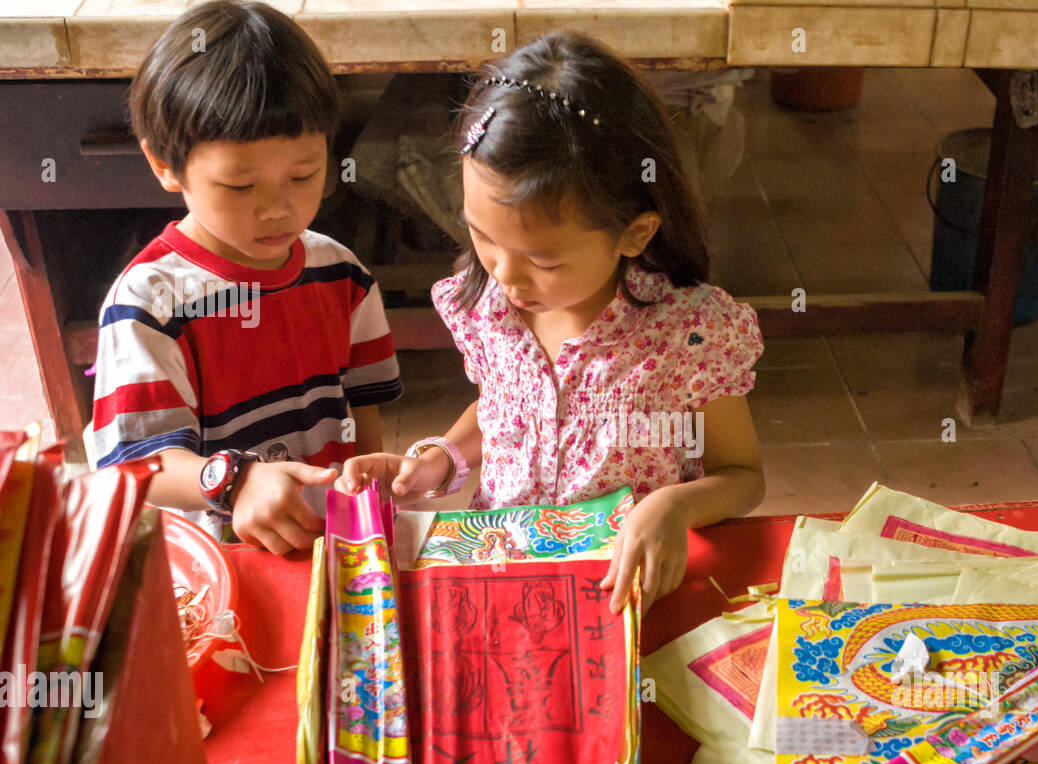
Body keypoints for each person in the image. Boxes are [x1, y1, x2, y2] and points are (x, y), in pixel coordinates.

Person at [340, 33, 766, 613]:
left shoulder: (689, 333)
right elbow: (502, 409)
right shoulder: (488, 304)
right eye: (483, 237)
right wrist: (441, 457)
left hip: (620, 596)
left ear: (633, 233)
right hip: (504, 579)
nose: (506, 277)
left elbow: (741, 474)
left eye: (543, 260)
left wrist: (676, 506)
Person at [88, 1, 402, 551]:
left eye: (303, 175)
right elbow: (140, 465)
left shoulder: (341, 274)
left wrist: (369, 503)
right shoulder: (150, 304)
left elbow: (362, 410)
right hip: (218, 562)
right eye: (239, 186)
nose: (278, 209)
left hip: (327, 540)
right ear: (165, 165)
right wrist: (235, 481)